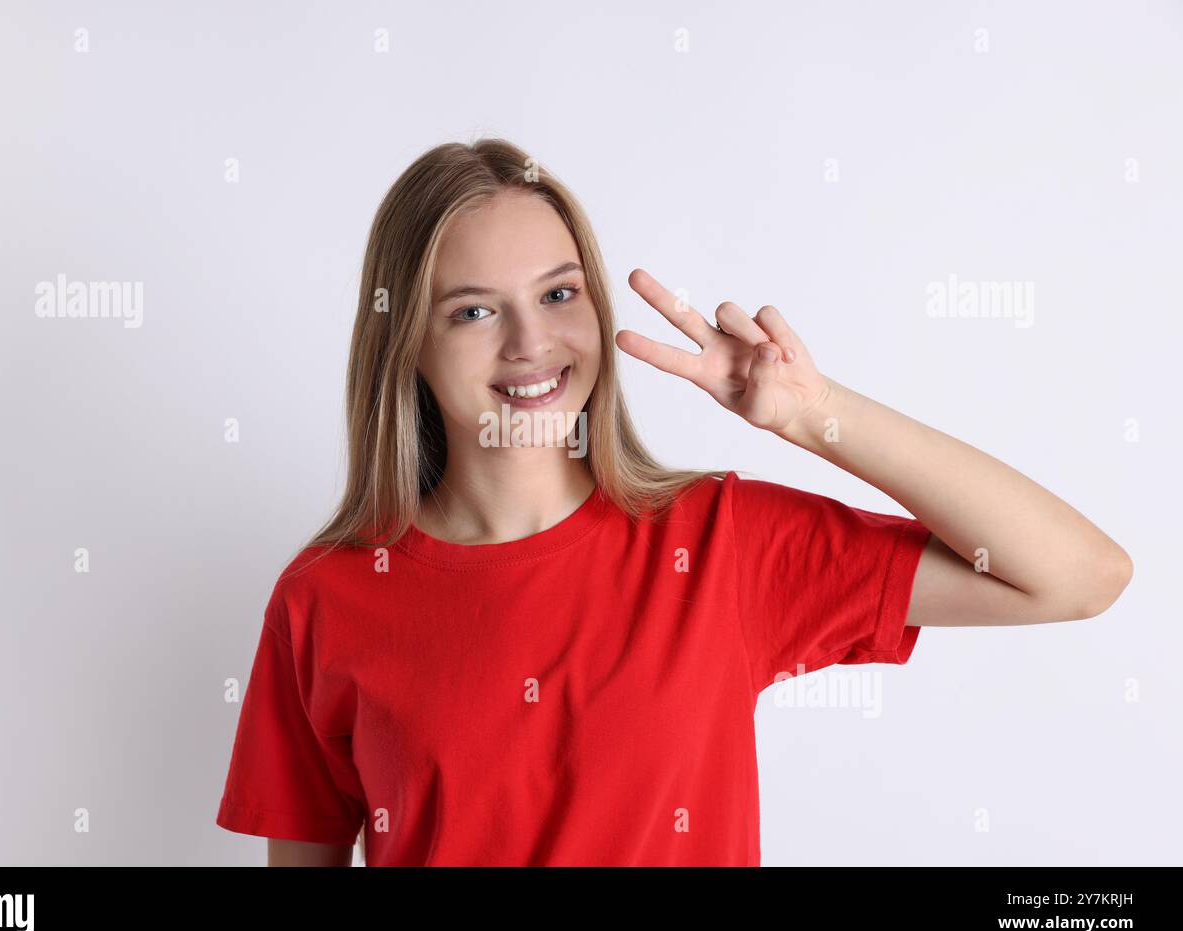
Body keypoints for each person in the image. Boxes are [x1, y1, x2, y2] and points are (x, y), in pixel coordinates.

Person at [215, 138, 1132, 866]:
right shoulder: (326, 598)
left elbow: (1079, 576)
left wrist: (818, 419)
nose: (532, 342)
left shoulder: (719, 544)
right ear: (406, 342)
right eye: (473, 311)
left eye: (558, 293)